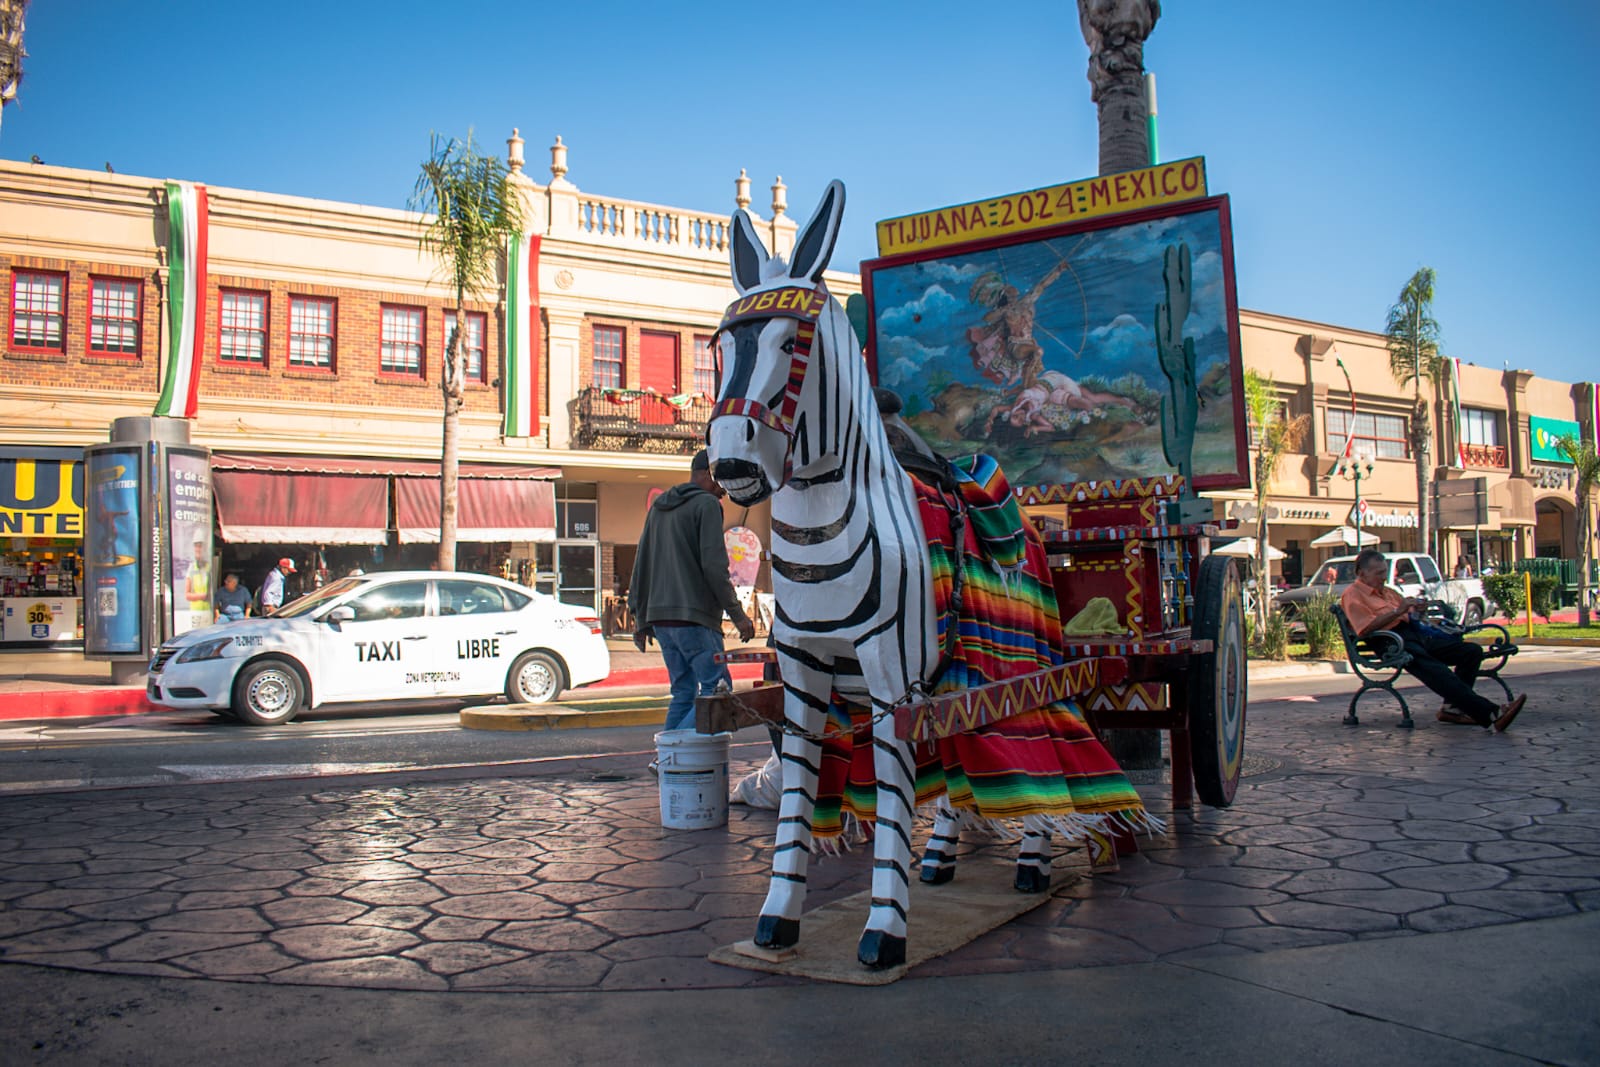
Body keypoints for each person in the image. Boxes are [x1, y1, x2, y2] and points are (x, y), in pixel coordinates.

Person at [629, 450, 756, 737]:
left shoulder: (659, 506)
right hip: (694, 618)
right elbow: (714, 567)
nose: (724, 492)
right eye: (722, 482)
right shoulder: (707, 505)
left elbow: (642, 560)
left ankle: (668, 758)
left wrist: (639, 617)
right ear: (709, 475)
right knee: (717, 691)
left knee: (683, 693)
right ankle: (677, 753)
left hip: (661, 620)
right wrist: (738, 616)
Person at [1340, 548, 1525, 731]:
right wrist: (1397, 611)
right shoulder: (1353, 595)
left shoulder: (1387, 591)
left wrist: (1416, 609)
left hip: (1414, 635)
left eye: (1385, 572)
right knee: (1437, 671)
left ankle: (1452, 709)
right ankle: (1491, 714)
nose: (1383, 577)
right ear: (1362, 573)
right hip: (1391, 642)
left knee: (1470, 652)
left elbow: (1407, 614)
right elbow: (1364, 628)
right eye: (1379, 573)